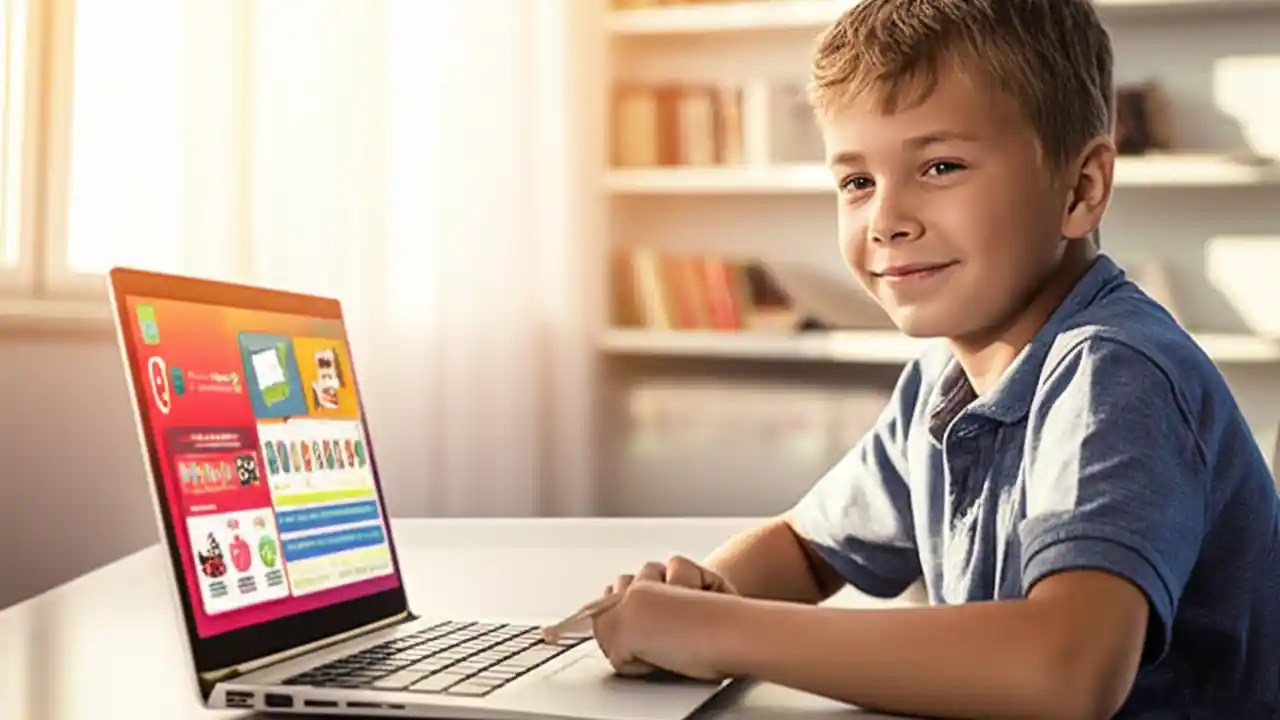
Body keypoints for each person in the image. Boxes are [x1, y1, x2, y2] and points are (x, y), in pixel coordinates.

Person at [589, 1, 1280, 717]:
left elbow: (1068, 670)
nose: (886, 220)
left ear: (1080, 190)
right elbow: (807, 546)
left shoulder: (1115, 371)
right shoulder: (943, 381)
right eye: (857, 182)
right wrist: (695, 598)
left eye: (940, 166)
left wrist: (721, 633)